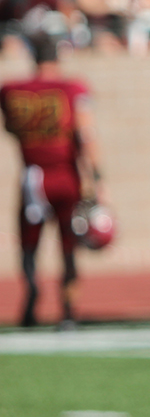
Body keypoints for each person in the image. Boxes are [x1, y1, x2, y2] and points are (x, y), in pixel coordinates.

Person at [1, 35, 104, 329]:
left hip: (31, 176)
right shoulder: (72, 88)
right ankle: (69, 310)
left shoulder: (12, 89)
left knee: (29, 245)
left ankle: (31, 295)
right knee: (68, 247)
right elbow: (86, 134)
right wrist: (98, 179)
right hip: (65, 176)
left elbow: (10, 127)